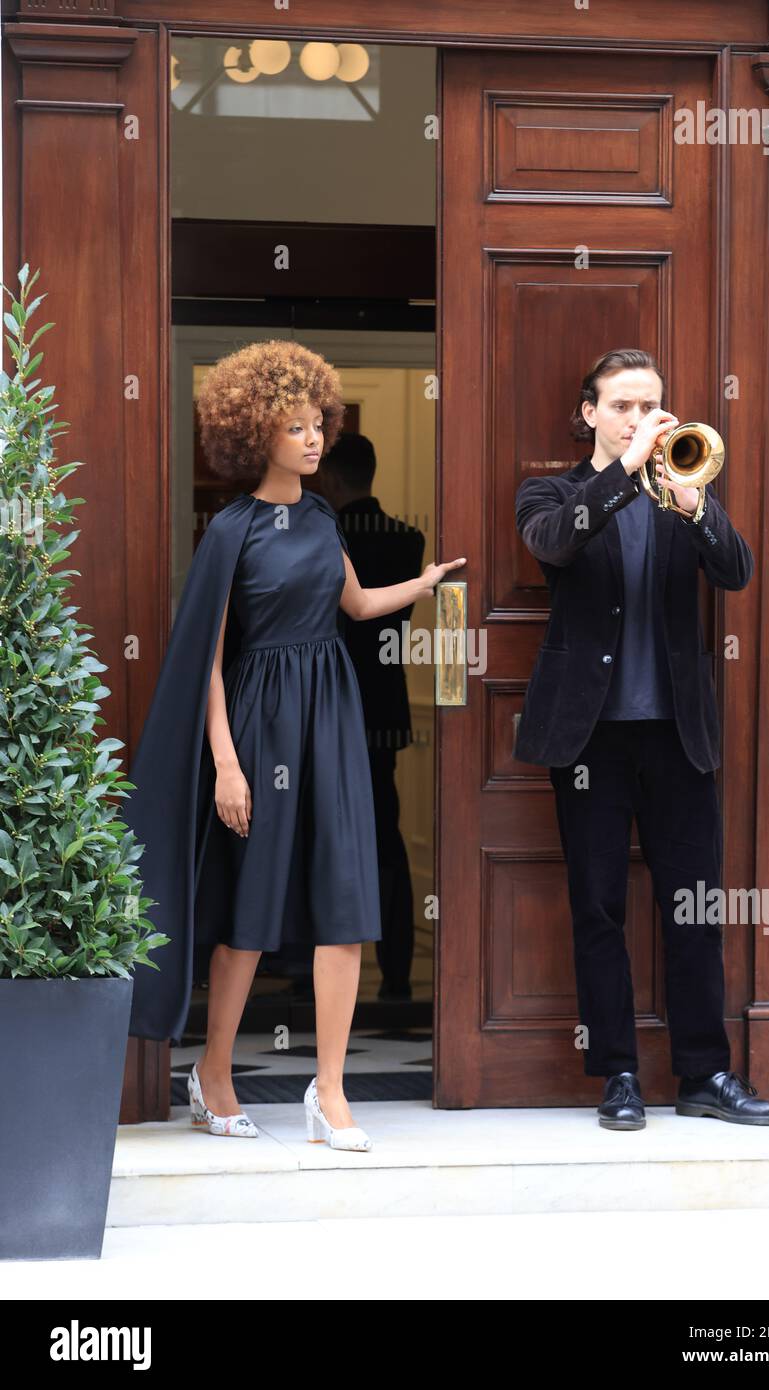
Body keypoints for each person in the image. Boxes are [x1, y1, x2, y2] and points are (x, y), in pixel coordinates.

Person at [124, 339, 464, 1148]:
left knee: (344, 898)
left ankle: (332, 1093)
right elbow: (204, 655)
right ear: (254, 436)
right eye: (296, 428)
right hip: (258, 720)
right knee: (251, 907)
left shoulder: (320, 519)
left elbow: (351, 605)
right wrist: (228, 763)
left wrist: (422, 587)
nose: (314, 440)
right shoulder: (232, 530)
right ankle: (212, 1075)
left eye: (318, 426)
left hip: (332, 717)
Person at [514, 348, 769, 1130]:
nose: (639, 419)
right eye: (622, 405)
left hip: (675, 735)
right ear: (589, 413)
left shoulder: (682, 489)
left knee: (691, 907)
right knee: (597, 908)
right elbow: (554, 545)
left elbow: (735, 572)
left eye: (649, 405)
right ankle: (619, 1074)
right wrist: (623, 471)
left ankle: (703, 1075)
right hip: (588, 739)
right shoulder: (551, 492)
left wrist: (694, 505)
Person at [316, 432, 426, 1001]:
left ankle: (297, 966)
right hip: (382, 705)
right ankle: (400, 975)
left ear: (332, 479)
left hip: (322, 700)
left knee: (316, 828)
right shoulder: (408, 539)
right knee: (386, 833)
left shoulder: (322, 533)